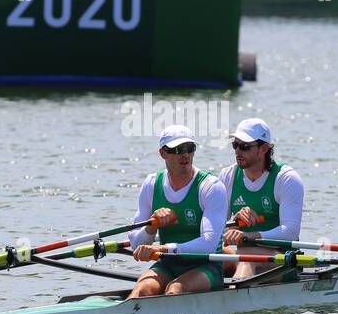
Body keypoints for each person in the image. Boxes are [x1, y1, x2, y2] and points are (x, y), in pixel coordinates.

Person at [127, 125, 229, 297]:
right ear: (163, 153)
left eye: (190, 148)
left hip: (206, 266)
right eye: (178, 149)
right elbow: (136, 245)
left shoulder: (210, 186)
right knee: (141, 290)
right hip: (168, 265)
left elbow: (209, 244)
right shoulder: (151, 185)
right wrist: (151, 227)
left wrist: (163, 248)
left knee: (175, 289)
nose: (185, 155)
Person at [219, 118, 305, 279]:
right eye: (235, 145)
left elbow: (291, 231)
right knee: (205, 251)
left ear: (264, 148)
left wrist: (250, 236)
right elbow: (216, 228)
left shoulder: (286, 179)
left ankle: (235, 298)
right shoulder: (228, 176)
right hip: (242, 252)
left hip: (281, 259)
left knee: (246, 257)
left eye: (244, 146)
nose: (238, 151)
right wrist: (233, 225)